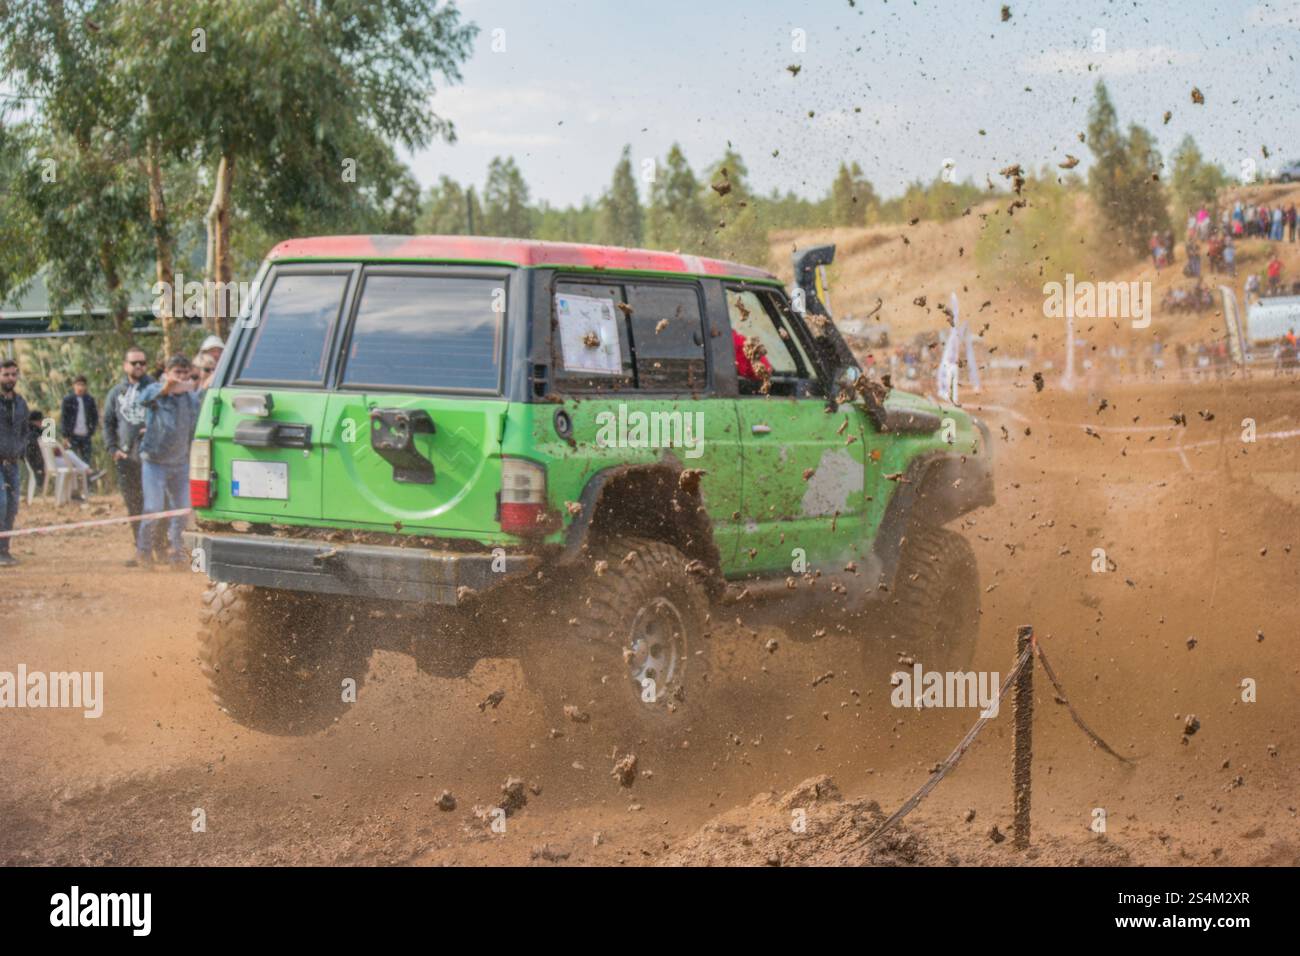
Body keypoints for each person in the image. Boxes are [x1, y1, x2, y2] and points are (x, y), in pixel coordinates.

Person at [134, 355, 202, 568]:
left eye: (184, 373)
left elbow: (194, 429)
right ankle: (144, 553)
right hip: (154, 462)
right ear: (167, 373)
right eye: (176, 372)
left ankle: (177, 555)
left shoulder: (191, 399)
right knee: (152, 509)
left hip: (180, 463)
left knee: (182, 511)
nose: (180, 377)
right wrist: (165, 388)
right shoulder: (156, 391)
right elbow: (141, 400)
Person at [104, 347, 156, 559]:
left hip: (153, 459)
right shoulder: (117, 393)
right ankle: (141, 550)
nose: (138, 367)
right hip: (126, 460)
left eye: (142, 363)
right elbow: (108, 422)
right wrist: (113, 449)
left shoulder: (155, 389)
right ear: (125, 365)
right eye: (134, 363)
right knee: (134, 505)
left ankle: (160, 547)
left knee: (155, 505)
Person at [0, 359, 30, 567]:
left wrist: (20, 451)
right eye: (6, 374)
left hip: (13, 462)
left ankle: (4, 550)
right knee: (0, 504)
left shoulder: (21, 403)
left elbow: (26, 431)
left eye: (13, 374)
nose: (11, 378)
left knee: (12, 506)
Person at [60, 375, 100, 470]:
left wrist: (91, 430)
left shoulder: (89, 400)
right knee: (72, 461)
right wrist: (65, 436)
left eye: (82, 385)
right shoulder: (68, 400)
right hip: (72, 436)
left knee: (86, 461)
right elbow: (64, 418)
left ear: (86, 386)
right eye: (78, 385)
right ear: (74, 386)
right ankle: (75, 484)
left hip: (86, 435)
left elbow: (95, 416)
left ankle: (87, 483)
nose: (80, 387)